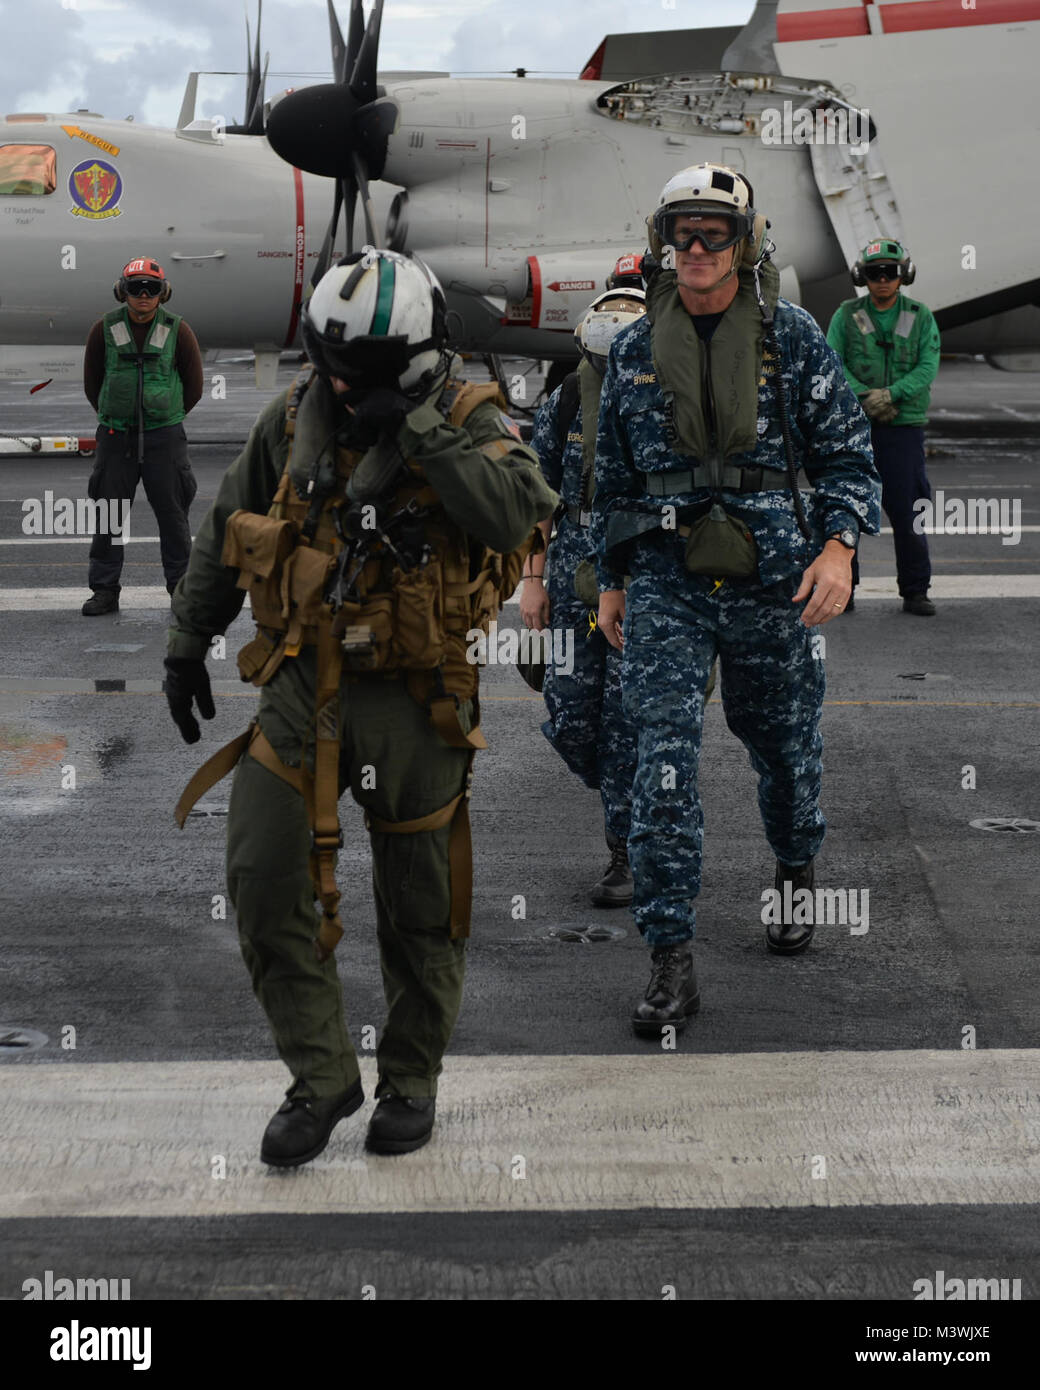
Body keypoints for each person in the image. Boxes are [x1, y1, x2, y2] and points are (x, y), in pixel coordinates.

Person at [163, 249, 556, 1164]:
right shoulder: (294, 420)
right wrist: (188, 640)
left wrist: (420, 430)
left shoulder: (471, 421)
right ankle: (322, 1074)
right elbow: (228, 534)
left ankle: (411, 1080)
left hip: (422, 705)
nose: (340, 387)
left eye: (361, 375)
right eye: (332, 367)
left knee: (423, 912)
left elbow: (512, 515)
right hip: (305, 686)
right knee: (262, 879)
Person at [590, 163, 881, 1036]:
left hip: (773, 579)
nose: (697, 249)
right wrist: (610, 576)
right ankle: (670, 958)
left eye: (714, 233)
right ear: (662, 243)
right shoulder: (637, 347)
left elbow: (847, 458)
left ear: (744, 244)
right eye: (682, 233)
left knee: (786, 753)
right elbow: (611, 475)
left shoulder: (789, 337)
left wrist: (838, 549)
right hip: (669, 582)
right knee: (661, 763)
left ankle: (795, 868)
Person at [524, 289, 646, 906]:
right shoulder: (567, 397)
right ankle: (630, 794)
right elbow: (536, 496)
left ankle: (625, 851)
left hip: (638, 574)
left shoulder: (660, 391)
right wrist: (530, 581)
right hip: (572, 576)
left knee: (628, 719)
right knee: (572, 719)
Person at [82, 257, 203, 615]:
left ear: (164, 293)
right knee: (109, 516)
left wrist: (162, 417)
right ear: (123, 291)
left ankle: (182, 591)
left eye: (152, 288)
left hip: (163, 438)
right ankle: (105, 590)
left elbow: (193, 386)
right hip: (116, 437)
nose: (144, 295)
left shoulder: (179, 330)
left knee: (173, 516)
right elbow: (93, 382)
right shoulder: (103, 329)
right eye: (136, 288)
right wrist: (116, 415)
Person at [826, 240, 941, 616]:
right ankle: (845, 591)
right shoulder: (846, 315)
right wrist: (864, 396)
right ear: (862, 276)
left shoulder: (920, 316)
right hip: (856, 426)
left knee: (908, 511)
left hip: (903, 430)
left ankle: (915, 590)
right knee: (847, 509)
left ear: (903, 275)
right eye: (874, 273)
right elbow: (833, 360)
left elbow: (927, 365)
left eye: (890, 273)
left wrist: (891, 395)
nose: (882, 280)